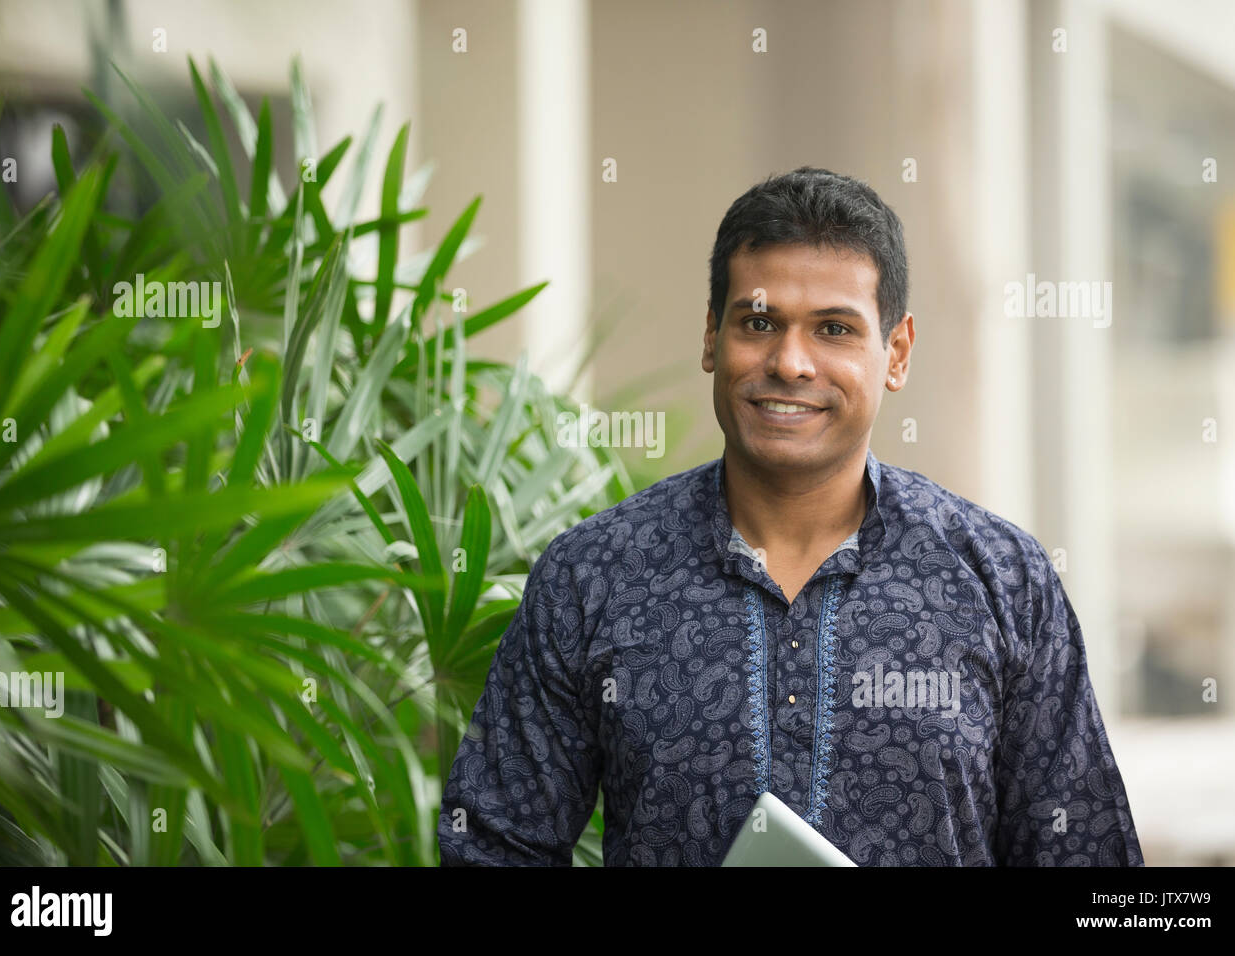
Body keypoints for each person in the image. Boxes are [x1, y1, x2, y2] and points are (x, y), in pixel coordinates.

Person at [437, 166, 1143, 866]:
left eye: (834, 329)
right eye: (760, 322)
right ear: (713, 336)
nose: (791, 362)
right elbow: (496, 847)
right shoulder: (593, 576)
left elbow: (1085, 854)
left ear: (894, 353)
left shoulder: (1003, 579)